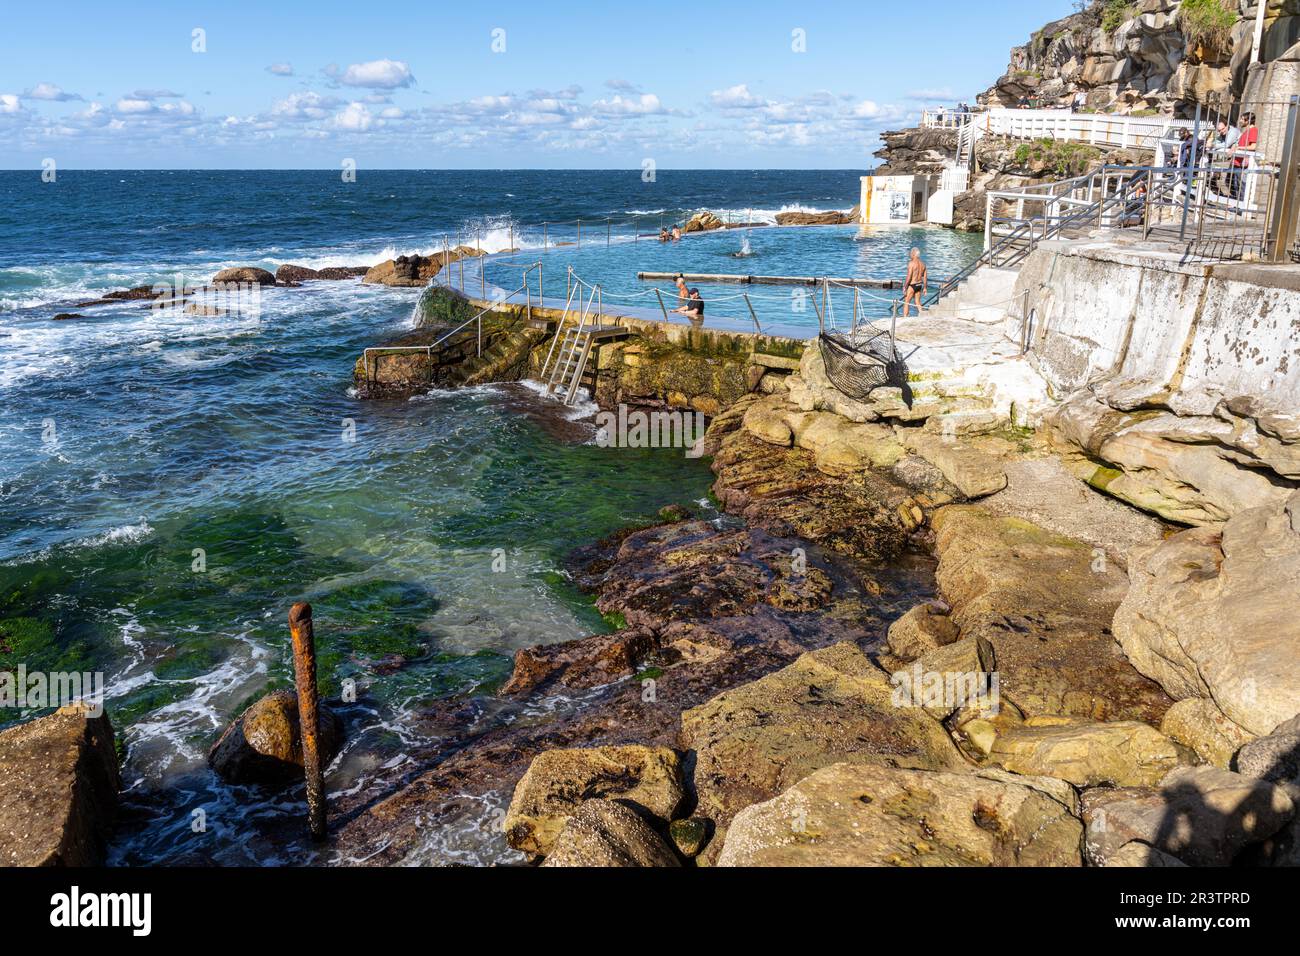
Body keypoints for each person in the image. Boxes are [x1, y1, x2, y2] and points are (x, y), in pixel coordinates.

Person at [902, 247, 928, 317]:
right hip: (919, 285)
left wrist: (905, 287)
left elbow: (909, 277)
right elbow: (925, 278)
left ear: (913, 254)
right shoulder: (923, 264)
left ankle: (905, 317)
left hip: (912, 285)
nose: (910, 255)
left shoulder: (911, 263)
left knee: (906, 302)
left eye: (910, 253)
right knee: (917, 302)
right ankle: (923, 315)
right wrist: (925, 288)